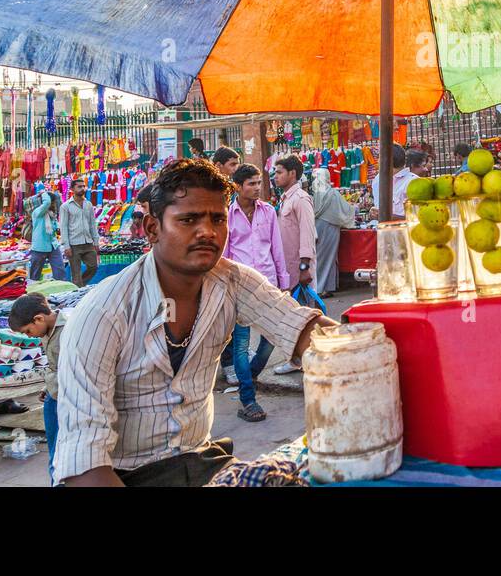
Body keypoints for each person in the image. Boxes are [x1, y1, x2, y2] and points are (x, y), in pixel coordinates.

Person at [55, 159, 333, 486]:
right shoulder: (103, 314)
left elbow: (301, 328)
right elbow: (84, 466)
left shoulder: (232, 281)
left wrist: (366, 351)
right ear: (152, 229)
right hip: (125, 476)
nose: (207, 231)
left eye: (217, 219)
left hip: (202, 461)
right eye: (188, 220)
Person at [222, 164, 289, 422]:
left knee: (272, 337)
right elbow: (225, 254)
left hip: (267, 284)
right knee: (240, 344)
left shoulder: (269, 212)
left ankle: (249, 376)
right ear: (237, 186)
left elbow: (277, 248)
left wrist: (283, 282)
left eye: (259, 183)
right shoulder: (227, 215)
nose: (257, 188)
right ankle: (248, 400)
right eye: (251, 183)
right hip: (239, 287)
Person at [9, 293, 65, 483]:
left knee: (62, 454)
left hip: (68, 399)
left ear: (39, 318)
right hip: (53, 395)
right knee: (54, 453)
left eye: (27, 331)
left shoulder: (70, 329)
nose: (28, 336)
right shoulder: (45, 329)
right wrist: (47, 385)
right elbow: (53, 365)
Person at [272, 155, 317, 376]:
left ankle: (301, 359)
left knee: (304, 316)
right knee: (294, 317)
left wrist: (304, 268)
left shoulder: (300, 199)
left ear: (292, 174)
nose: (275, 176)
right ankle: (299, 358)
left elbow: (308, 235)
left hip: (299, 270)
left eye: (279, 172)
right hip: (288, 270)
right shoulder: (284, 199)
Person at [312, 167, 353, 299]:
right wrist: (355, 209)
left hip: (317, 226)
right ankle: (321, 288)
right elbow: (345, 210)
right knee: (328, 256)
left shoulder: (314, 193)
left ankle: (324, 287)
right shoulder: (332, 193)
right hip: (330, 227)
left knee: (320, 256)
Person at [58, 177, 100, 287]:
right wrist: (66, 245)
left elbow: (92, 224)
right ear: (72, 189)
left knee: (93, 267)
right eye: (79, 187)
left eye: (83, 186)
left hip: (88, 242)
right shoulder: (65, 206)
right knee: (75, 273)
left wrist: (96, 242)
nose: (82, 189)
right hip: (73, 244)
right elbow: (63, 227)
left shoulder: (88, 204)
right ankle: (77, 291)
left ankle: (78, 285)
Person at [26, 182, 65, 283]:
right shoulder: (37, 212)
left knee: (60, 270)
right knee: (35, 275)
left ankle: (60, 288)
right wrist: (43, 193)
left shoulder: (51, 214)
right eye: (52, 202)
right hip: (39, 247)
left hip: (53, 246)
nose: (53, 204)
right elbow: (46, 203)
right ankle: (32, 292)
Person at [367, 144, 414, 221]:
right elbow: (377, 209)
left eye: (379, 158)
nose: (377, 162)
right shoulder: (377, 180)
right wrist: (373, 213)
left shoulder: (412, 181)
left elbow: (417, 218)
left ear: (385, 161)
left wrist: (387, 217)